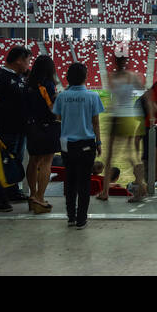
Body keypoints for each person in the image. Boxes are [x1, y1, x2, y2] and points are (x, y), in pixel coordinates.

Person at [53, 62, 103, 229]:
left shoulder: (62, 96)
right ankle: (82, 219)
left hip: (67, 144)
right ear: (85, 77)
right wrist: (99, 143)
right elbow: (95, 123)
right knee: (84, 181)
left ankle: (71, 217)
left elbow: (58, 118)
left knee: (70, 180)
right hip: (87, 144)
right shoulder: (93, 96)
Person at [0, 45, 31, 213]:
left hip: (19, 129)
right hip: (5, 130)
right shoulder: (0, 78)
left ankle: (12, 191)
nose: (28, 64)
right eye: (27, 60)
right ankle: (0, 199)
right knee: (1, 163)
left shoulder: (19, 77)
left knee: (15, 162)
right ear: (19, 60)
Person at [102, 54, 146, 202]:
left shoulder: (113, 77)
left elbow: (112, 99)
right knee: (130, 155)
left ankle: (105, 192)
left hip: (118, 116)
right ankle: (141, 186)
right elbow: (141, 86)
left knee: (110, 157)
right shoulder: (131, 76)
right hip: (128, 116)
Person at [24, 53, 60, 214]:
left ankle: (32, 195)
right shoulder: (46, 84)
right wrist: (58, 99)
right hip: (46, 126)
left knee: (33, 161)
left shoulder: (27, 84)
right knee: (46, 162)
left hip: (31, 126)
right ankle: (40, 197)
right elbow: (52, 108)